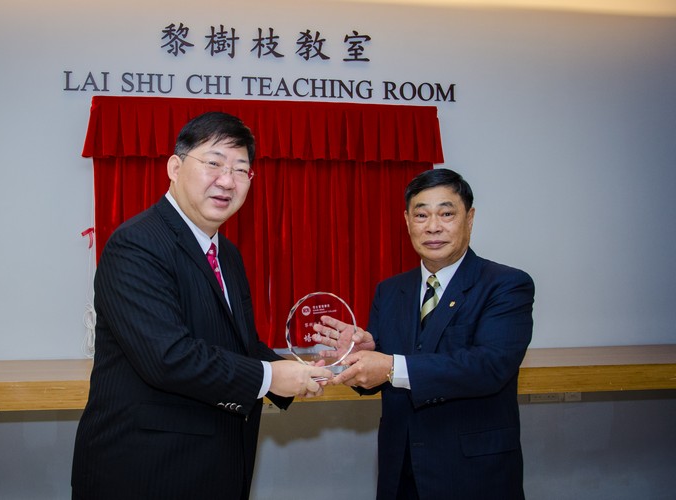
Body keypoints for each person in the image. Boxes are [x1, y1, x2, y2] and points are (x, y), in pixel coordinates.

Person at [72, 111, 332, 500]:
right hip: (147, 471)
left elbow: (240, 346)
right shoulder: (137, 244)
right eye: (213, 163)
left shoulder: (225, 252)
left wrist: (302, 370)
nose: (227, 180)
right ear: (175, 167)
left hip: (215, 464)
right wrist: (268, 378)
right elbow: (168, 357)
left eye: (241, 170)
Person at [314, 168, 534, 500]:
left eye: (446, 213)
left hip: (473, 474)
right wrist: (361, 355)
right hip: (401, 470)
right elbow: (384, 372)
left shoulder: (505, 285)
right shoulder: (390, 291)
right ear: (407, 221)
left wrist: (389, 365)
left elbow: (489, 367)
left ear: (469, 218)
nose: (433, 226)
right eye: (421, 215)